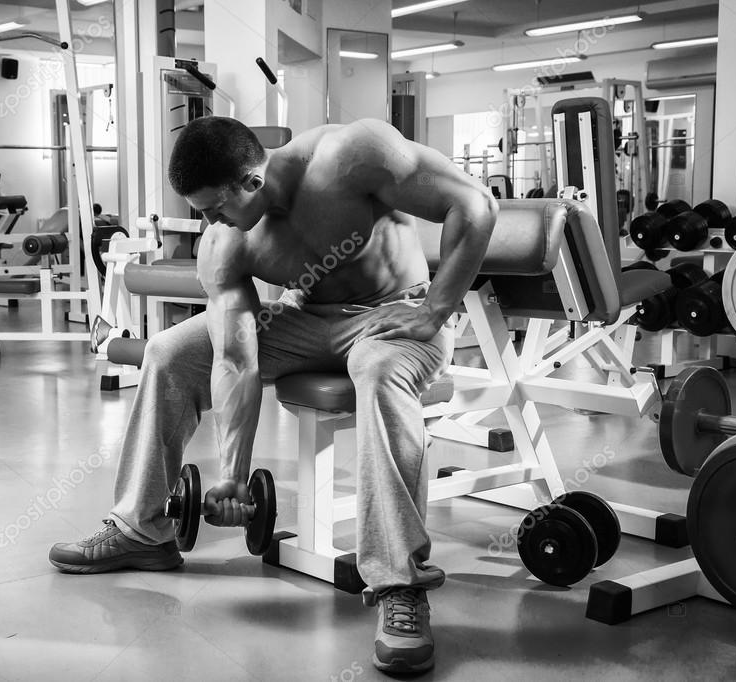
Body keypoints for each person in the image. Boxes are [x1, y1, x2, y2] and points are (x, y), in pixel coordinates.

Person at [50, 116, 497, 675]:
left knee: (379, 375)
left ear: (252, 182)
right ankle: (141, 529)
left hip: (393, 315)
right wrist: (233, 474)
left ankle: (399, 585)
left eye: (215, 208)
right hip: (305, 318)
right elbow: (236, 358)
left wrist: (436, 308)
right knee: (168, 353)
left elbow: (475, 205)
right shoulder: (226, 242)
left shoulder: (353, 154)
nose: (209, 222)